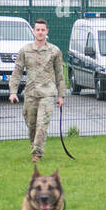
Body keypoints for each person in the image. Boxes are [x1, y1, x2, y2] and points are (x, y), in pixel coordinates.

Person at [10, 19, 66, 163]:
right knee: (32, 125)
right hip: (30, 93)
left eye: (43, 30)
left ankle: (37, 154)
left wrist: (61, 95)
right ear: (34, 31)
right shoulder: (25, 50)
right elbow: (17, 72)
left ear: (47, 31)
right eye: (38, 30)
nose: (40, 32)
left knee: (42, 124)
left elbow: (60, 74)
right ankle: (34, 147)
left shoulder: (55, 51)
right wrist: (13, 91)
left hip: (47, 93)